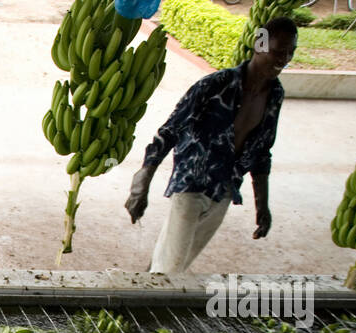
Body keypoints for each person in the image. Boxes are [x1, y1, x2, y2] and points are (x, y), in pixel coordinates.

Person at [125, 18, 297, 274]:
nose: (283, 59)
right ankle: (148, 304)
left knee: (177, 260)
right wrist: (142, 184)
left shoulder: (275, 95)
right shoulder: (215, 85)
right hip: (191, 184)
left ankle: (141, 296)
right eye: (278, 51)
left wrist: (263, 206)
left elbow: (262, 152)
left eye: (290, 52)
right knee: (171, 266)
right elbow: (169, 131)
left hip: (224, 190)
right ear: (258, 44)